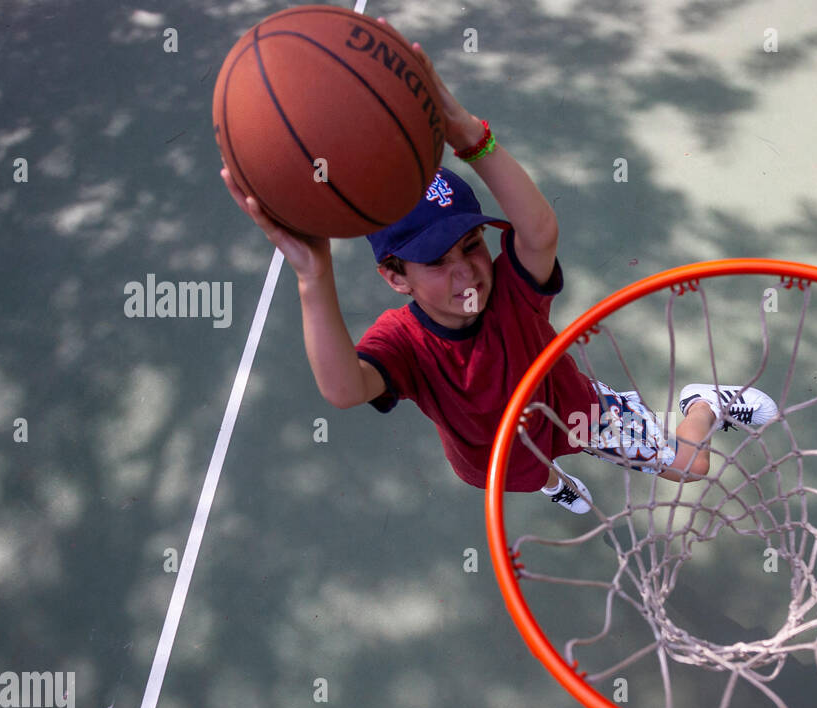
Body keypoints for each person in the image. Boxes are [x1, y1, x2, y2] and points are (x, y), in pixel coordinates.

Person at [220, 29, 775, 514]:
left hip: (577, 414)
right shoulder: (403, 343)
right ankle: (555, 482)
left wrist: (470, 137)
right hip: (494, 457)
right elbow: (343, 389)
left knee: (690, 468)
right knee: (535, 475)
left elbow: (538, 233)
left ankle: (704, 404)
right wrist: (312, 275)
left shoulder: (512, 290)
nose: (465, 274)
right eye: (436, 262)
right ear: (395, 276)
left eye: (471, 245)